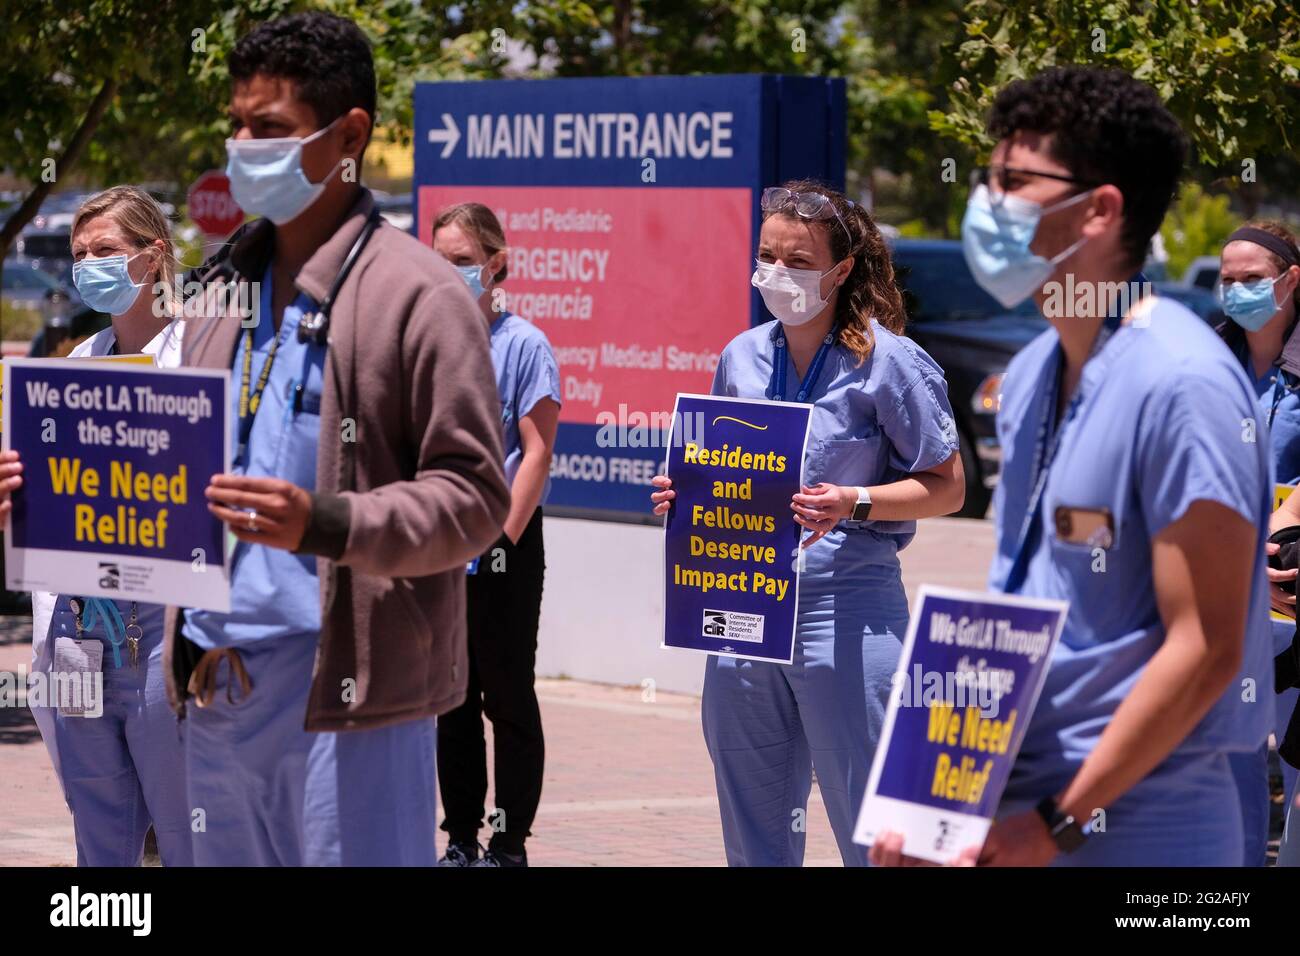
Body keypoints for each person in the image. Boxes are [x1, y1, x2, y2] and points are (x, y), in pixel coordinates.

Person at [871, 66, 1275, 868]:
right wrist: (938, 812)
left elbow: (1206, 648)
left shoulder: (1182, 382)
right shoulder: (1026, 380)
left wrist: (1055, 823)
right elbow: (1030, 607)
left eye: (1014, 180)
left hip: (1142, 833)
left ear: (1100, 209)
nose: (987, 201)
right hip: (1017, 816)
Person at [167, 11, 509, 866]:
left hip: (349, 698)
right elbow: (166, 459)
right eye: (237, 125)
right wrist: (57, 497)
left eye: (270, 128)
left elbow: (475, 497)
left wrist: (326, 522)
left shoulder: (420, 294)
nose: (243, 146)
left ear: (349, 133)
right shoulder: (219, 288)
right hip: (214, 684)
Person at [651, 179, 965, 866]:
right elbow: (726, 472)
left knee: (875, 834)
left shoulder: (889, 362)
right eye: (767, 256)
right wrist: (688, 495)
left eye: (798, 261)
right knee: (755, 832)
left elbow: (948, 488)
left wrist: (854, 500)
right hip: (743, 609)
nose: (777, 274)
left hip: (844, 612)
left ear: (842, 270)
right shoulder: (742, 356)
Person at [4, 185, 190, 866]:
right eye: (80, 255)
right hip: (76, 635)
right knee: (99, 837)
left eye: (105, 251)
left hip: (163, 631)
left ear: (154, 256)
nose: (87, 267)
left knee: (185, 832)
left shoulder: (203, 360)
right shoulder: (74, 365)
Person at [430, 203, 561, 868]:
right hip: (441, 546)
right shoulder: (426, 342)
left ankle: (508, 842)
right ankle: (459, 837)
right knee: (450, 700)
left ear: (497, 264)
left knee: (506, 696)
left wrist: (498, 542)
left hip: (505, 546)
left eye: (463, 260)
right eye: (441, 260)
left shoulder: (525, 346)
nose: (452, 273)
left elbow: (535, 453)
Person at [1217, 222, 1300, 865]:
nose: (1236, 290)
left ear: (1289, 280)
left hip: (1293, 601)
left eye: (1252, 279)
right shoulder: (1210, 366)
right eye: (1227, 279)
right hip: (1224, 598)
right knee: (1227, 770)